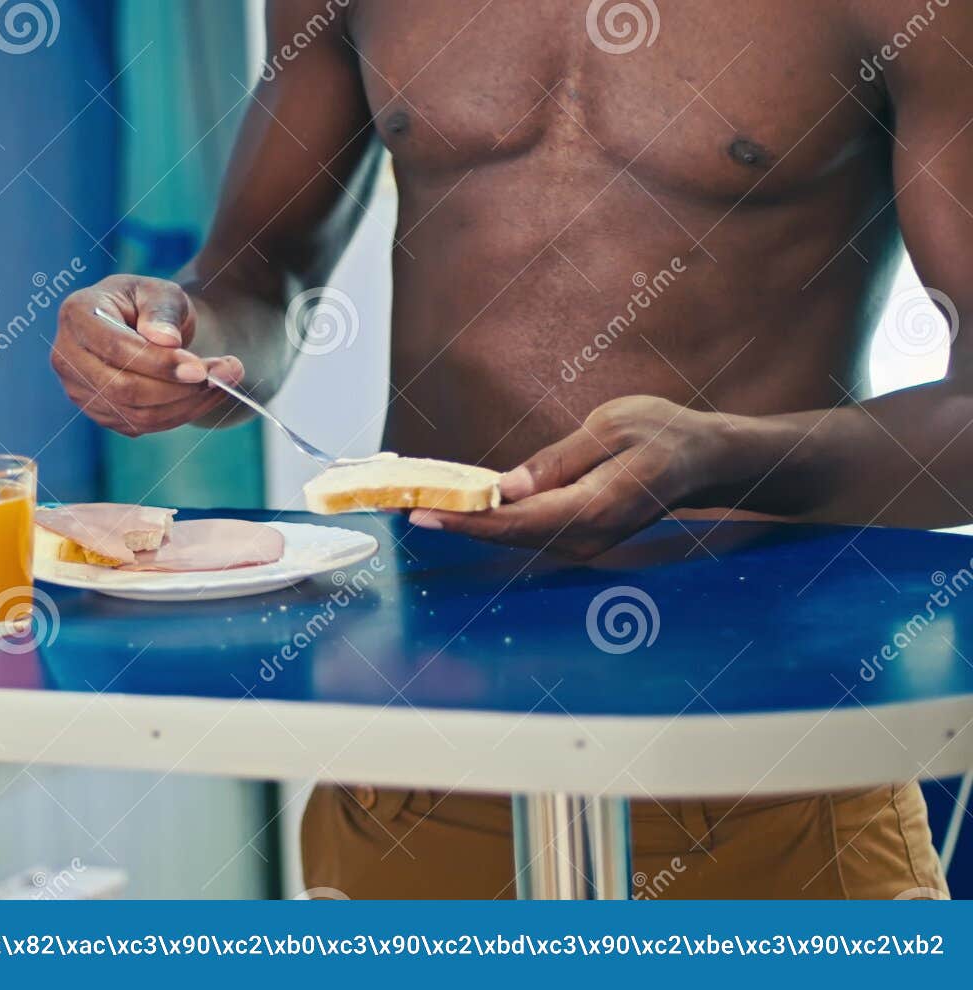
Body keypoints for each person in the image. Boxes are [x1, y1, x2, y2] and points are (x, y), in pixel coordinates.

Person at [49, 0, 966, 898]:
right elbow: (257, 275)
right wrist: (173, 341)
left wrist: (725, 456)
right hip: (417, 748)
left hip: (764, 760)